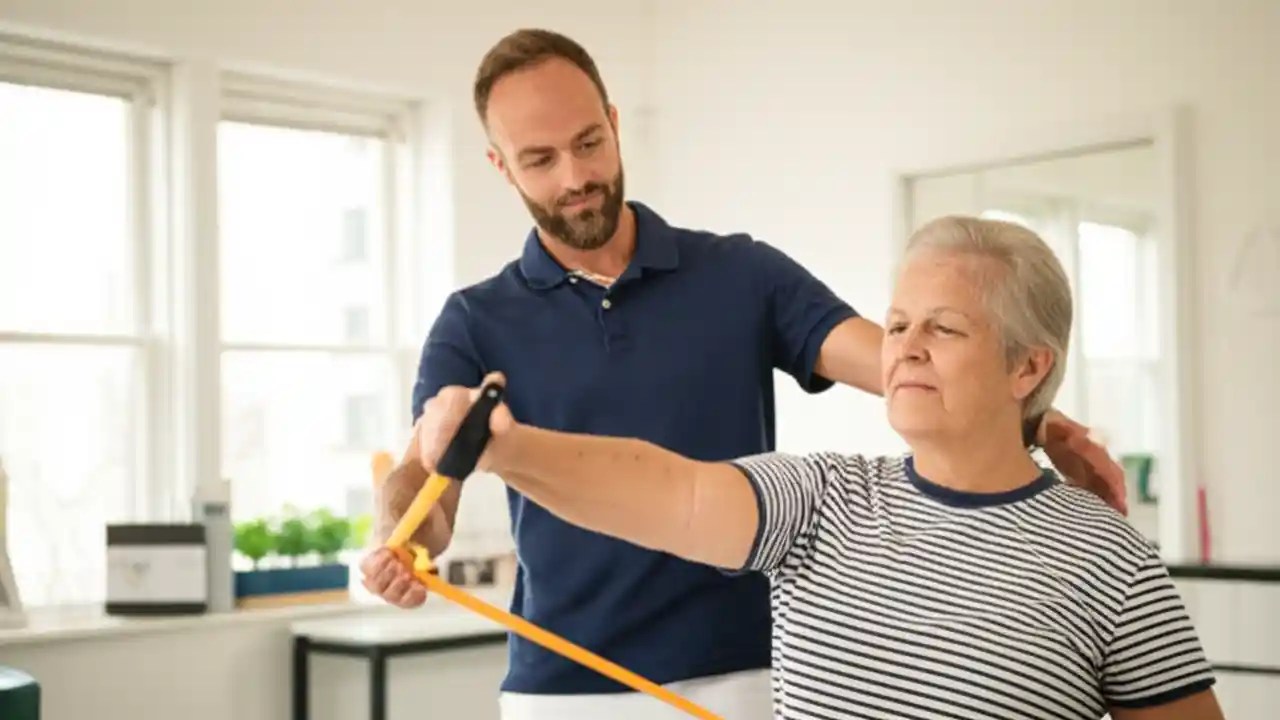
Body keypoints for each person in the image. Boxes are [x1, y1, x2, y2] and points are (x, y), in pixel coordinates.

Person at [359, 28, 1127, 719]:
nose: (575, 176)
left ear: (616, 125)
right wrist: (400, 541)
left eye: (590, 143)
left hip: (742, 671)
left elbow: (898, 360)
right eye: (540, 159)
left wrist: (1042, 420)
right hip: (560, 685)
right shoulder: (473, 320)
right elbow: (429, 475)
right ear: (501, 166)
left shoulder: (740, 273)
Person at [412, 215, 1223, 720]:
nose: (902, 344)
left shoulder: (1108, 559)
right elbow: (664, 487)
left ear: (1025, 368)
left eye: (942, 328)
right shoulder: (820, 499)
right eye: (898, 321)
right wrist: (509, 449)